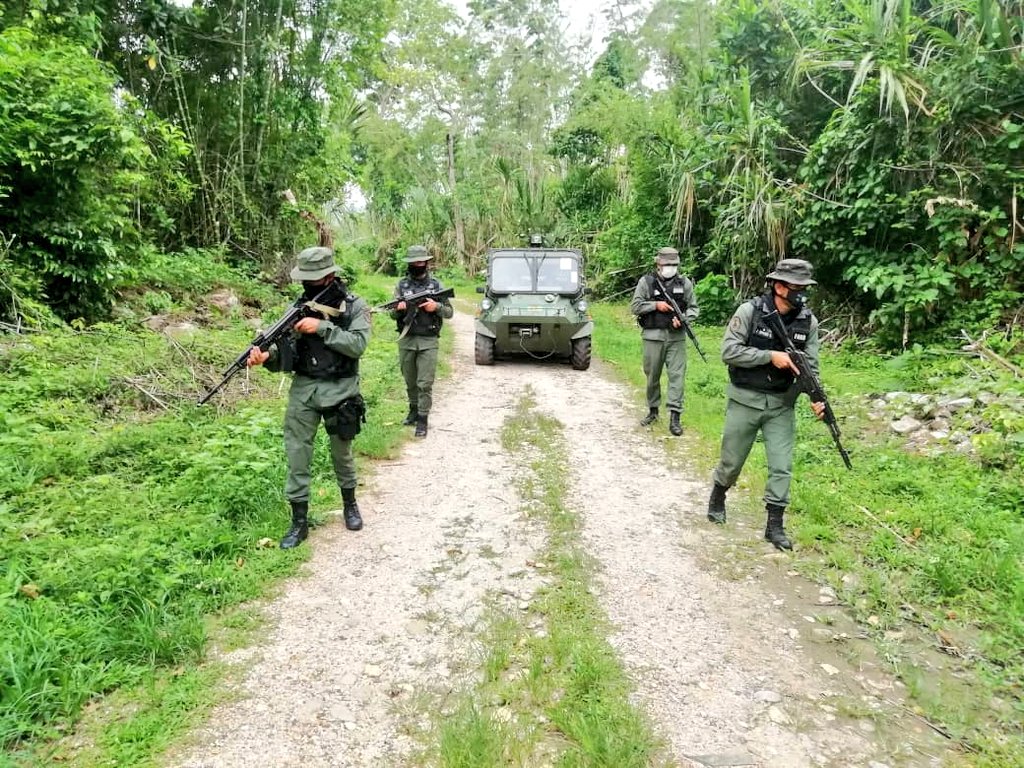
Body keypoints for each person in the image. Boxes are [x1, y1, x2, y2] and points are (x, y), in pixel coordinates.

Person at [246, 247, 371, 548]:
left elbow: (358, 345)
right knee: (297, 455)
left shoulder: (354, 305)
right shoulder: (297, 307)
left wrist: (322, 327)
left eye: (314, 277)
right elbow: (287, 353)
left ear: (329, 275)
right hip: (304, 390)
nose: (308, 283)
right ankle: (299, 522)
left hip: (341, 389)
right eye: (306, 277)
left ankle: (350, 505)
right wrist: (267, 357)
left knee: (342, 453)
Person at [706, 258, 826, 551]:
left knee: (781, 466)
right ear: (779, 286)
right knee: (732, 461)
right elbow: (729, 351)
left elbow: (811, 367)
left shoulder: (807, 322)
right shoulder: (750, 312)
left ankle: (775, 525)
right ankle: (718, 495)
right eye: (796, 287)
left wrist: (817, 397)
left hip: (781, 403)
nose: (801, 293)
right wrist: (770, 356)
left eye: (804, 287)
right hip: (745, 399)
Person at [629, 246, 699, 436]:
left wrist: (684, 319)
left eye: (674, 265)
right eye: (667, 264)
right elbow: (635, 306)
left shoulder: (684, 283)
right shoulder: (647, 282)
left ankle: (675, 417)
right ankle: (653, 410)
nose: (670, 268)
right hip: (653, 337)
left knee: (677, 376)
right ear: (658, 264)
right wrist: (655, 305)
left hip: (676, 338)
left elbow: (693, 308)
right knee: (652, 375)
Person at [392, 244, 453, 438]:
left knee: (424, 383)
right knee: (410, 380)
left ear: (426, 263)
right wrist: (399, 309)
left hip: (428, 340)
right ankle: (413, 410)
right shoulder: (402, 286)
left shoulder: (436, 285)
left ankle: (422, 419)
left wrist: (436, 307)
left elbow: (449, 312)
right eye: (414, 262)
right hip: (407, 339)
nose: (417, 265)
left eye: (421, 262)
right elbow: (392, 314)